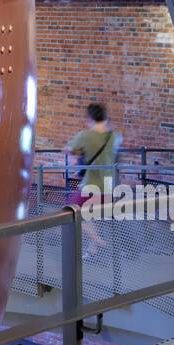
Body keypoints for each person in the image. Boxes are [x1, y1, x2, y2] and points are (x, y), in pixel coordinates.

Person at [67, 104, 122, 254]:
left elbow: (70, 149)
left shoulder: (85, 135)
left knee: (72, 209)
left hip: (91, 185)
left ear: (90, 117)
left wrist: (79, 152)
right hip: (109, 186)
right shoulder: (114, 136)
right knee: (94, 215)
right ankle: (93, 251)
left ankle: (98, 240)